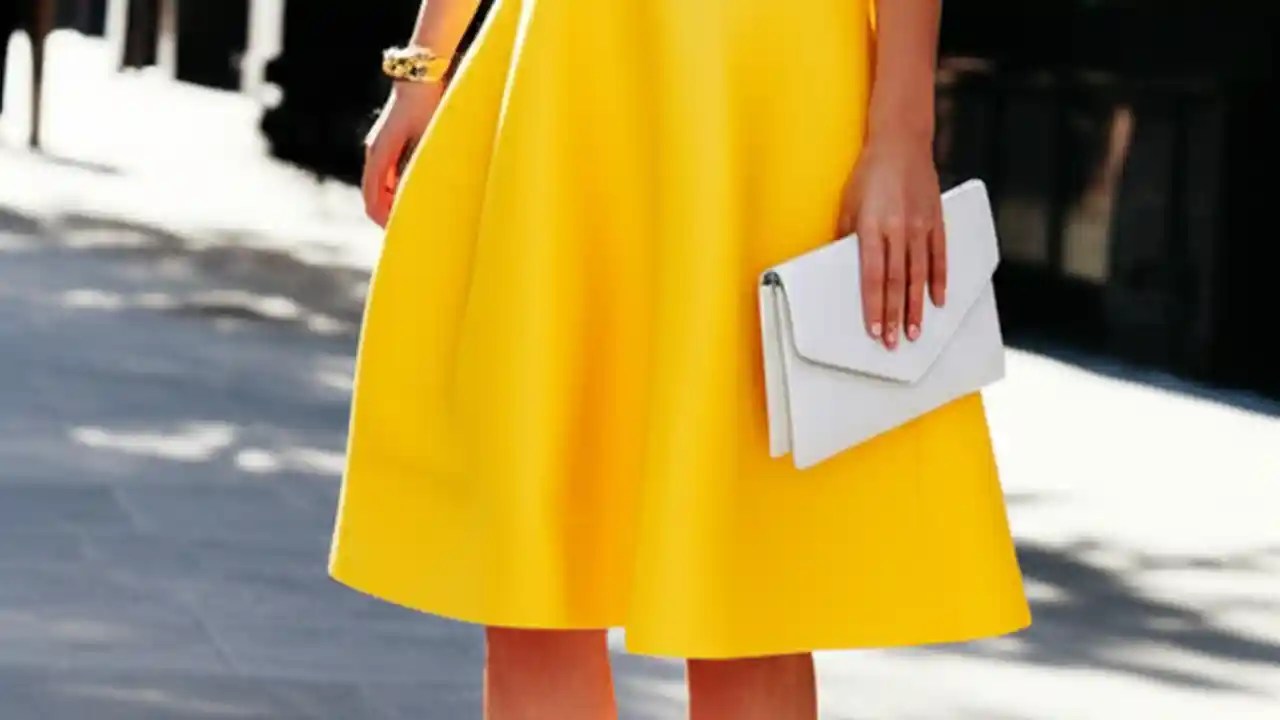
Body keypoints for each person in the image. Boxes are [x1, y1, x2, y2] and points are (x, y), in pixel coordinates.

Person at [330, 1, 1031, 718]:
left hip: (765, 91)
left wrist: (903, 136)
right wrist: (422, 63)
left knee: (749, 606)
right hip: (564, 82)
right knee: (530, 592)